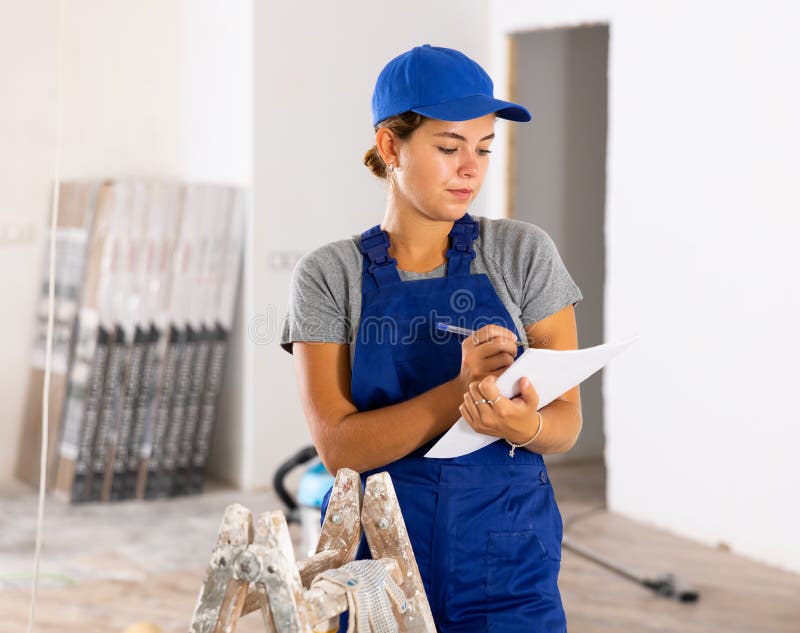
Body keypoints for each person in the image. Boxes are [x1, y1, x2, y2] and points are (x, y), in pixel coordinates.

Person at [280, 44, 583, 632]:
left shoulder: (522, 255)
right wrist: (459, 392)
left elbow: (566, 421)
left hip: (508, 561)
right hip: (373, 562)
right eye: (449, 148)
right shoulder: (329, 275)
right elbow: (338, 450)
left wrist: (526, 427)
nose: (471, 167)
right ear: (391, 145)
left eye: (484, 148)